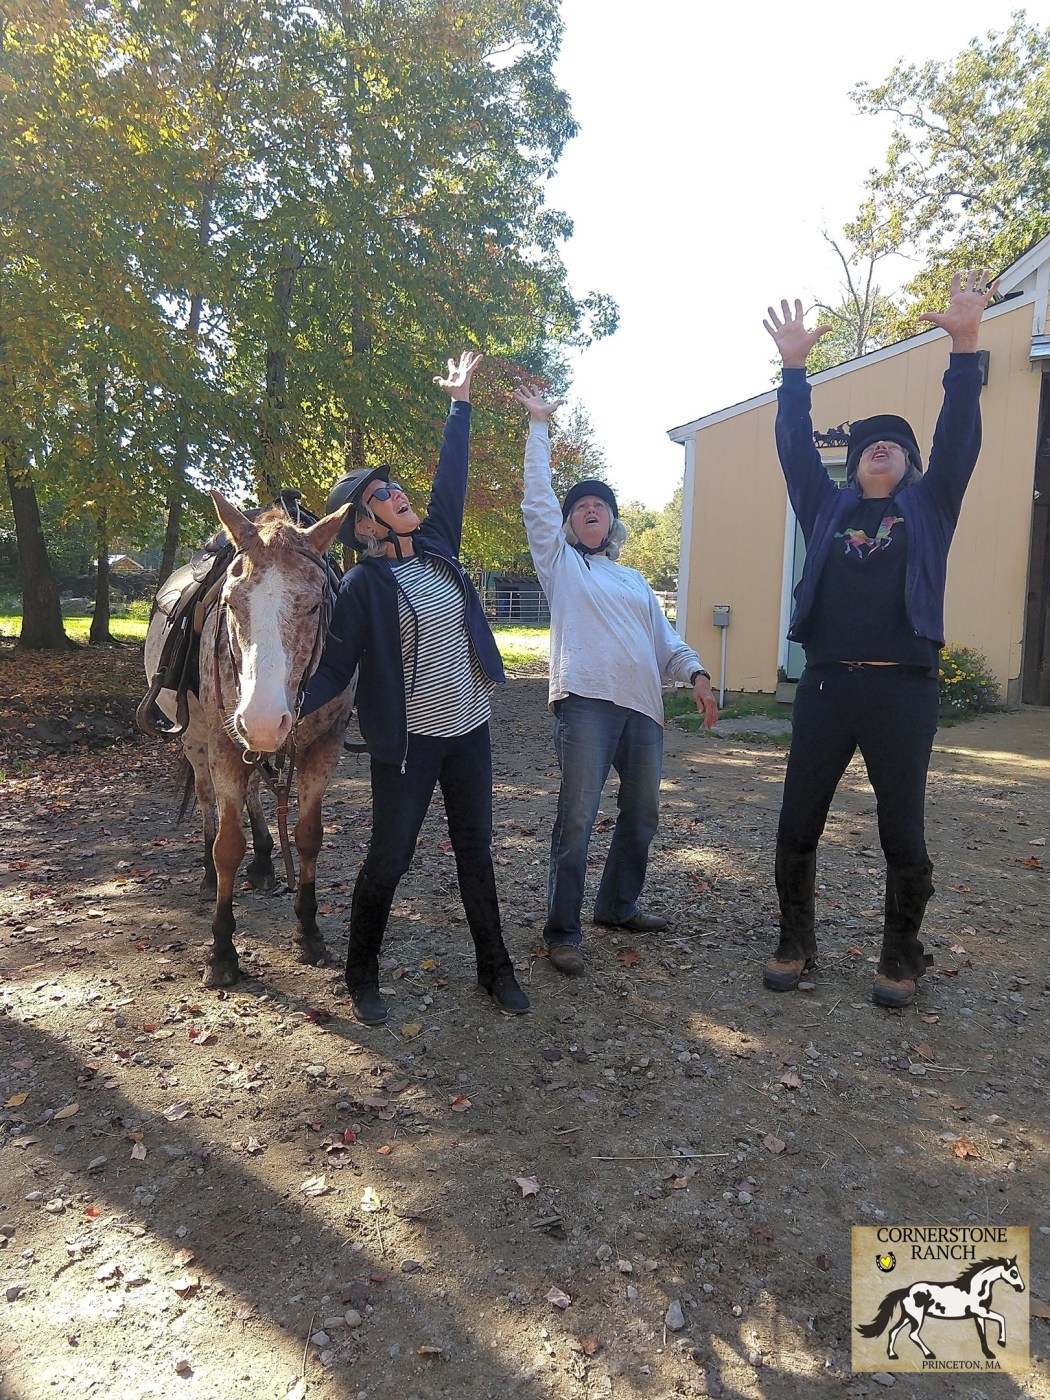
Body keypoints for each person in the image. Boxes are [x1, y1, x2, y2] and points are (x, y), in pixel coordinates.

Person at [761, 270, 998, 1008]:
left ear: (909, 463)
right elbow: (795, 450)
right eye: (870, 446)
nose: (882, 450)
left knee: (903, 829)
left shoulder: (930, 509)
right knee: (799, 818)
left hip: (904, 688)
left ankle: (902, 956)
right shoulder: (826, 510)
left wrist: (965, 351)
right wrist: (793, 372)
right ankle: (795, 940)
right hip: (829, 684)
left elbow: (957, 440)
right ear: (854, 462)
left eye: (895, 445)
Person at [301, 350, 530, 1025]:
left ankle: (496, 970)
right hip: (409, 748)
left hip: (469, 732)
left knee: (476, 855)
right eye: (380, 495)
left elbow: (451, 479)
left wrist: (460, 406)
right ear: (363, 525)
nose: (396, 494)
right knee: (389, 860)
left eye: (394, 488)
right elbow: (336, 670)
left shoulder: (437, 548)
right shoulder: (364, 587)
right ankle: (360, 975)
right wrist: (288, 712)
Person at [513, 384, 718, 975]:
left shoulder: (634, 582)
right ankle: (562, 931)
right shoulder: (562, 565)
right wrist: (539, 427)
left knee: (643, 813)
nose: (590, 510)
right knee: (576, 818)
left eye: (599, 504)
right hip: (586, 705)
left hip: (643, 713)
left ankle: (618, 905)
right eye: (580, 507)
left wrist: (697, 675)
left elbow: (666, 646)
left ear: (613, 520)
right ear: (570, 525)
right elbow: (537, 505)